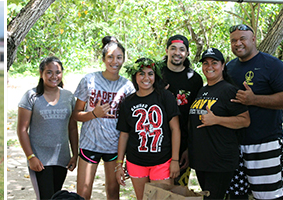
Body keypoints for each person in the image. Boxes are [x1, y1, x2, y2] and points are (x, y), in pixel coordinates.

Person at [225, 24, 283, 200]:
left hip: (265, 143)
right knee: (236, 195)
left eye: (242, 39)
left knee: (268, 196)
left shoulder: (272, 64)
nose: (238, 43)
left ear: (253, 39)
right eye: (234, 40)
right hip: (235, 145)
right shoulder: (229, 68)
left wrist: (254, 99)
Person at [73, 36, 135, 200]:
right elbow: (76, 114)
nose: (115, 61)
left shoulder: (128, 86)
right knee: (83, 193)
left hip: (114, 147)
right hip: (90, 144)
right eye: (110, 57)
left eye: (119, 57)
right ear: (103, 59)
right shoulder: (89, 80)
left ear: (123, 59)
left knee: (113, 193)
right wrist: (94, 114)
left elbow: (130, 122)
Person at [114, 58, 181, 200]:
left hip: (162, 161)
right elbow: (124, 134)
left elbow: (175, 129)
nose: (146, 78)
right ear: (135, 76)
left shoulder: (165, 97)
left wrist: (175, 160)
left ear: (155, 76)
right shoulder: (128, 102)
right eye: (141, 74)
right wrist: (119, 164)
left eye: (150, 74)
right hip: (135, 162)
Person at [190, 48, 250, 199]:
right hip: (202, 160)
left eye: (214, 63)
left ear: (223, 66)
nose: (209, 66)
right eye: (205, 63)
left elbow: (245, 120)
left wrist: (217, 120)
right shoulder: (202, 91)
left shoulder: (229, 90)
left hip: (220, 160)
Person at [17, 56, 79, 200]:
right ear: (41, 73)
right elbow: (22, 130)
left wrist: (74, 154)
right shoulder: (31, 96)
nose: (54, 76)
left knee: (55, 197)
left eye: (58, 72)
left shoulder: (68, 97)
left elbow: (72, 128)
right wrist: (31, 157)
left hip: (61, 159)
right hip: (39, 159)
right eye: (49, 72)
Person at [158, 35, 203, 186]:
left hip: (182, 145)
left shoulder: (195, 79)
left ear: (187, 53)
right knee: (154, 191)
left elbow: (194, 117)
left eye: (182, 49)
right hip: (156, 143)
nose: (177, 53)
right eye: (173, 48)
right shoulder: (155, 74)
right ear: (166, 50)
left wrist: (189, 148)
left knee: (177, 190)